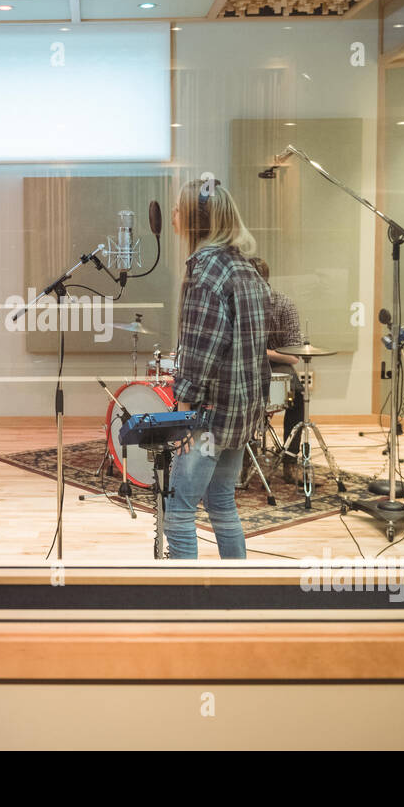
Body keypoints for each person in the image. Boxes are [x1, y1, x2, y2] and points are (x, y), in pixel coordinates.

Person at [165, 178, 269, 559]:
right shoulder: (247, 269)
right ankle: (236, 591)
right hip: (239, 414)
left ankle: (186, 603)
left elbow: (201, 351)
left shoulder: (204, 271)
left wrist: (183, 410)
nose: (172, 215)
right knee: (222, 503)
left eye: (178, 209)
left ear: (194, 217)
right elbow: (257, 353)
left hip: (207, 419)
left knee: (178, 511)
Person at [249, 257, 306, 484]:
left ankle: (290, 459)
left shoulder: (284, 305)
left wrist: (263, 352)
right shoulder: (236, 304)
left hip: (277, 362)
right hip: (245, 363)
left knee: (299, 397)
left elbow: (294, 355)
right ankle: (242, 456)